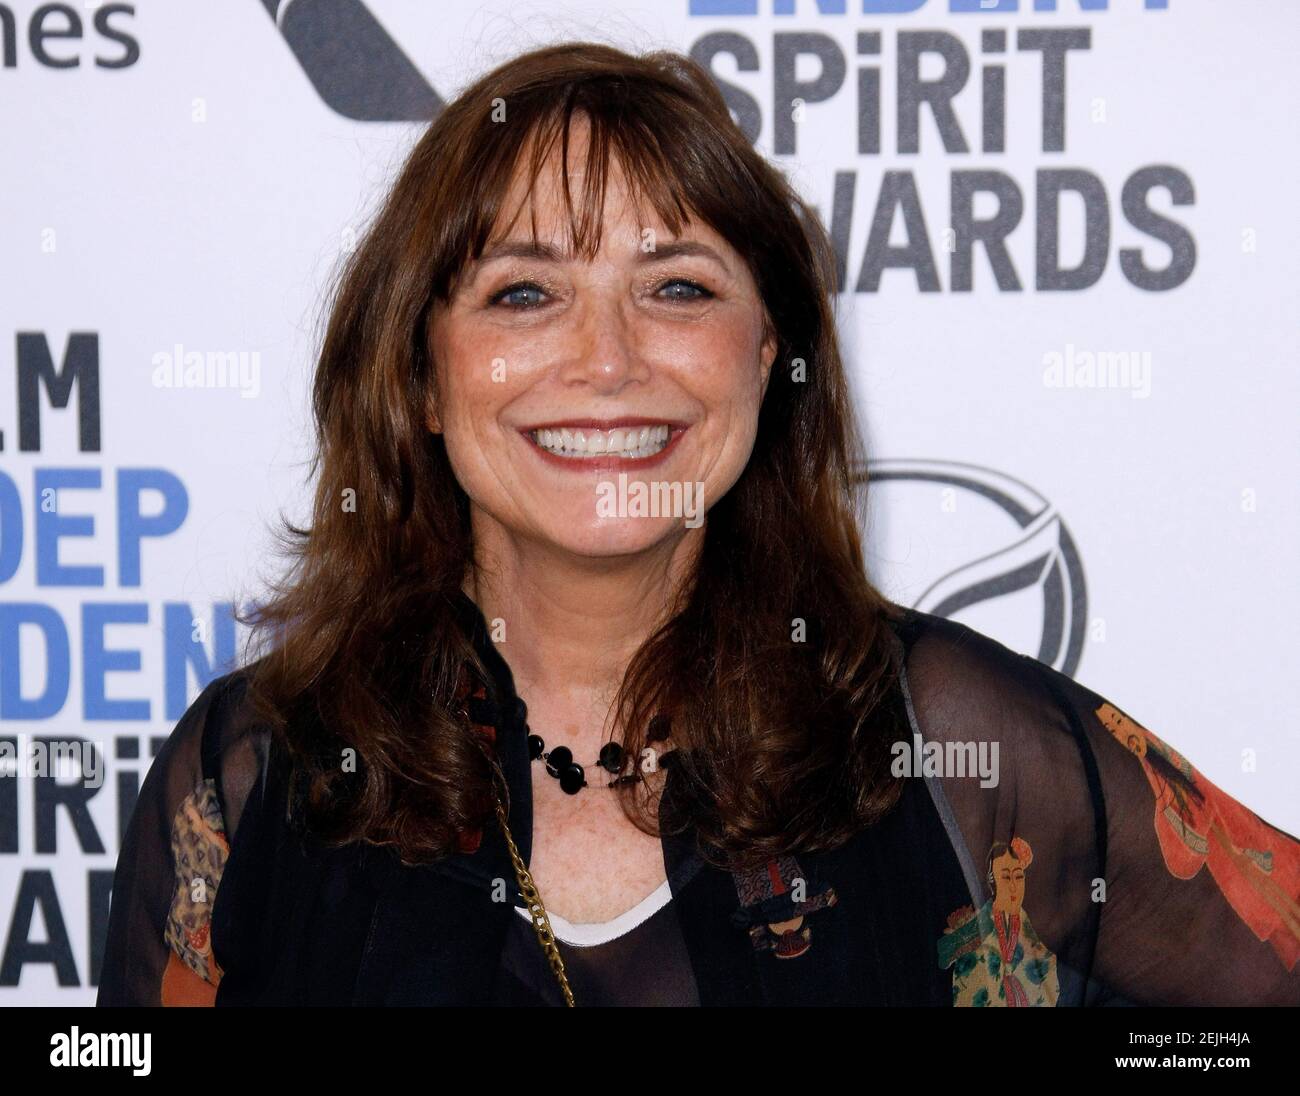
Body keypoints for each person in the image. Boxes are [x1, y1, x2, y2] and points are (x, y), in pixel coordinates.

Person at [96, 42, 1300, 1007]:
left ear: (768, 355)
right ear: (417, 374)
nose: (608, 361)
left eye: (678, 287)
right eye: (524, 292)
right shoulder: (256, 769)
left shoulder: (943, 739)